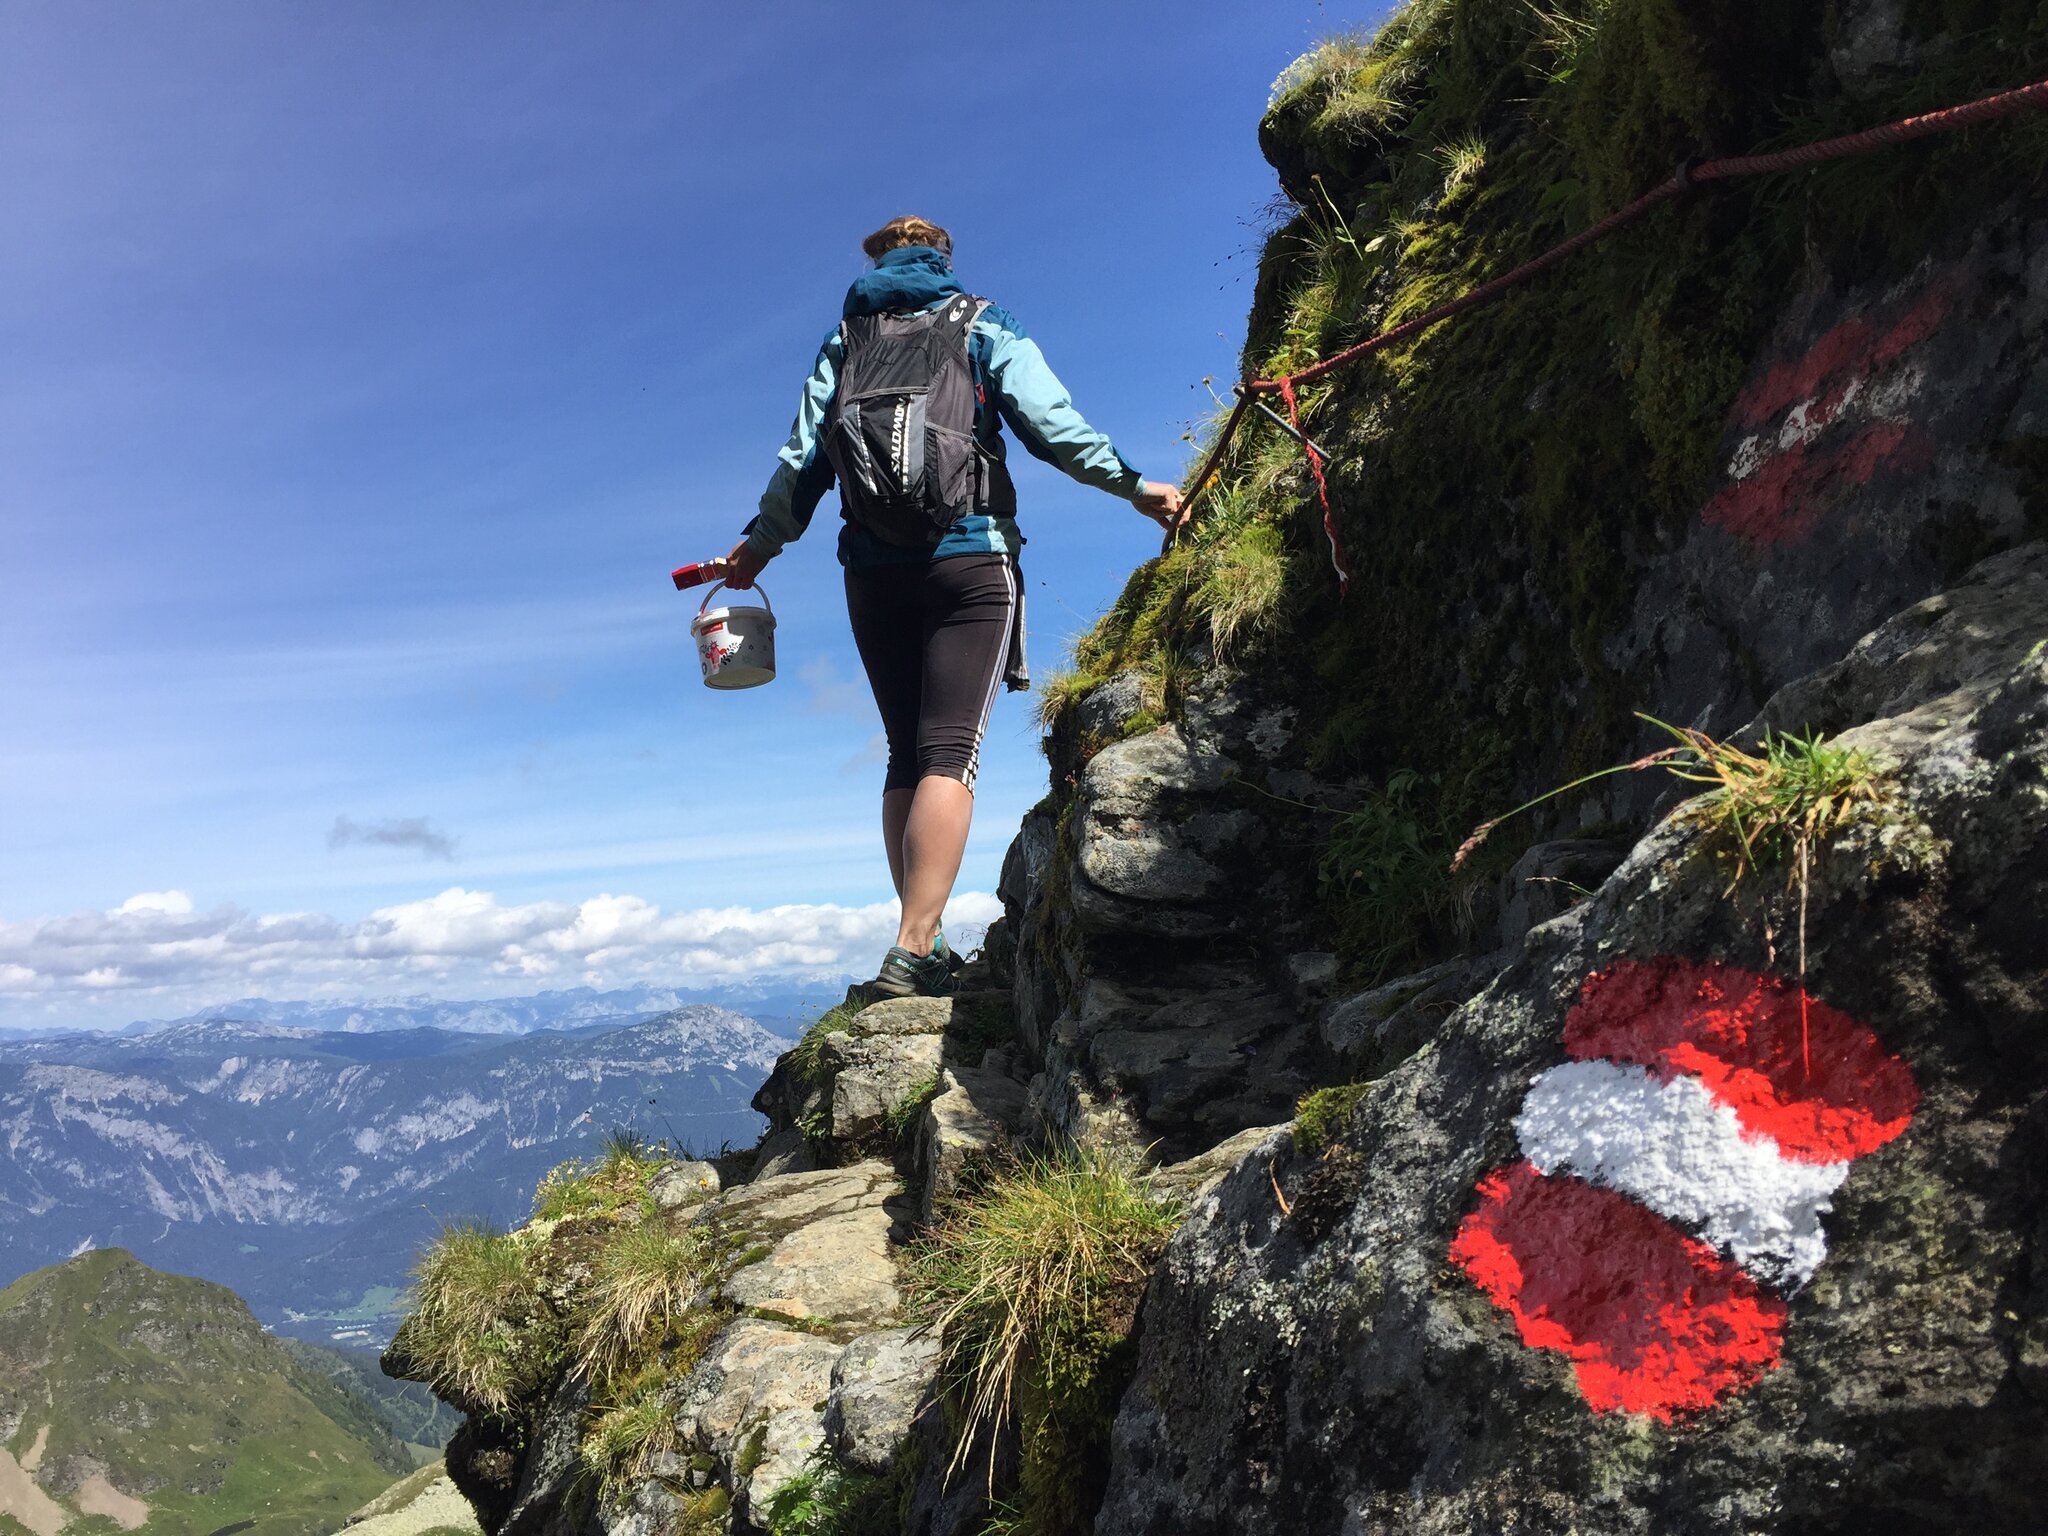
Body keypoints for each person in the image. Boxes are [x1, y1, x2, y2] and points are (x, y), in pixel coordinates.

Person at [722, 216, 1185, 1001]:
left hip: (871, 571)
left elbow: (803, 461)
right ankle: (914, 947)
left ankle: (924, 940)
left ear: (875, 263)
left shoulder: (845, 341)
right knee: (950, 753)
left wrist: (757, 548)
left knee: (905, 752)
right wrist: (1135, 487)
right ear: (941, 259)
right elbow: (1051, 427)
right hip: (969, 557)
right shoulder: (980, 322)